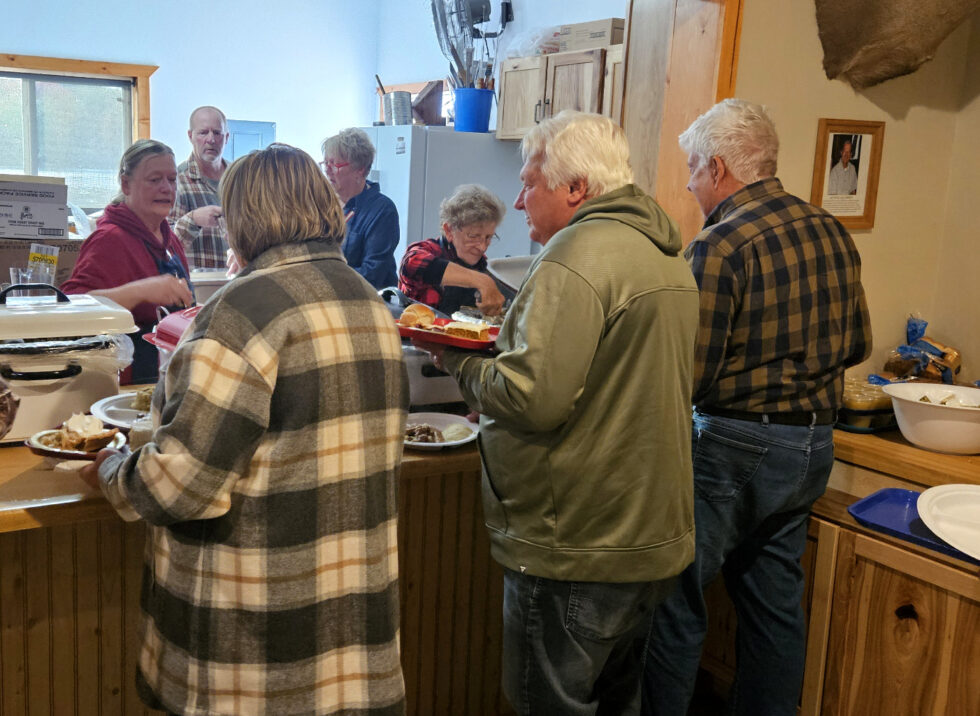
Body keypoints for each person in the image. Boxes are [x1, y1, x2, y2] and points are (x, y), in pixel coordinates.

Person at [79, 144, 409, 715]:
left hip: (252, 647)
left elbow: (175, 484)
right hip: (350, 629)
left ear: (244, 217)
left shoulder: (242, 312)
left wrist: (111, 468)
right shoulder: (369, 302)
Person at [414, 111, 700, 715]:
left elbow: (530, 398)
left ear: (574, 189)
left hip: (578, 538)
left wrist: (454, 359)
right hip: (648, 532)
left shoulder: (576, 255)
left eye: (528, 184)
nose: (518, 202)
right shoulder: (664, 251)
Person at [643, 99, 872, 716]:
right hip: (813, 447)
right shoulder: (830, 229)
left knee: (676, 600)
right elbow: (859, 345)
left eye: (693, 170)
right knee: (775, 609)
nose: (690, 185)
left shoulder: (719, 244)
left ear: (718, 168)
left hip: (733, 444)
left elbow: (691, 375)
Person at [61, 139, 195, 385]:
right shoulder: (109, 239)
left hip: (167, 375)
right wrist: (140, 291)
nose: (167, 188)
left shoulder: (169, 239)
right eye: (155, 180)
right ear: (126, 184)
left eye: (172, 179)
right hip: (127, 385)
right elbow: (71, 306)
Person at [398, 183, 511, 316]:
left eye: (488, 237)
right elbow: (411, 263)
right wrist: (483, 281)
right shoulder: (429, 250)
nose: (482, 247)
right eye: (473, 236)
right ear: (449, 230)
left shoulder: (485, 267)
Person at [321, 128, 399, 288]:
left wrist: (324, 278)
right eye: (325, 163)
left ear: (360, 169)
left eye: (335, 164)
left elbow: (372, 273)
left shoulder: (382, 210)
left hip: (367, 300)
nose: (328, 169)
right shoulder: (323, 205)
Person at [168, 105, 230, 269]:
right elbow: (163, 247)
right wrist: (193, 220)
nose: (211, 139)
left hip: (239, 283)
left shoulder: (241, 179)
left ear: (227, 137)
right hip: (198, 286)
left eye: (217, 133)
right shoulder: (175, 181)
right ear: (190, 136)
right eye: (203, 132)